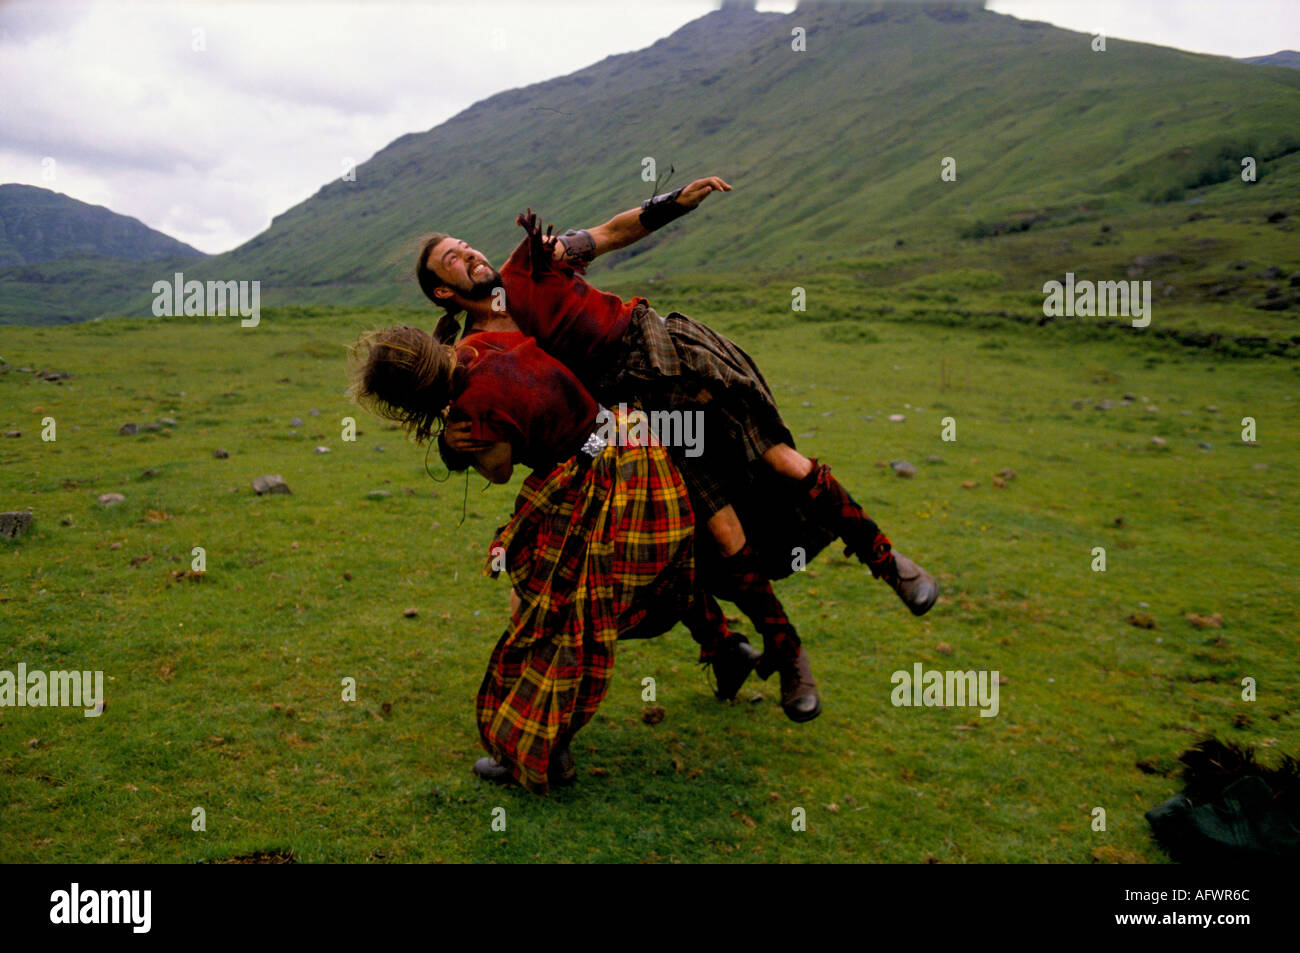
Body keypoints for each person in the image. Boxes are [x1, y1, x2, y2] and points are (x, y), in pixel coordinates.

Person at [411, 181, 939, 722]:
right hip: (639, 417)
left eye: (465, 245)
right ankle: (789, 654)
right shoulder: (475, 352)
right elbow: (488, 417)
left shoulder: (534, 261)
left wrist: (675, 203)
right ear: (442, 292)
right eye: (452, 258)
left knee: (782, 462)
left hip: (669, 355)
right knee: (721, 532)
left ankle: (889, 562)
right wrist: (455, 443)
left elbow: (613, 232)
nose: (469, 253)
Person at [346, 325, 757, 793]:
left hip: (597, 481)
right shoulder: (480, 346)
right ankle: (728, 650)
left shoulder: (471, 410)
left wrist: (452, 447)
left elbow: (498, 469)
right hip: (633, 446)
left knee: (558, 612)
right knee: (646, 578)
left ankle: (547, 751)